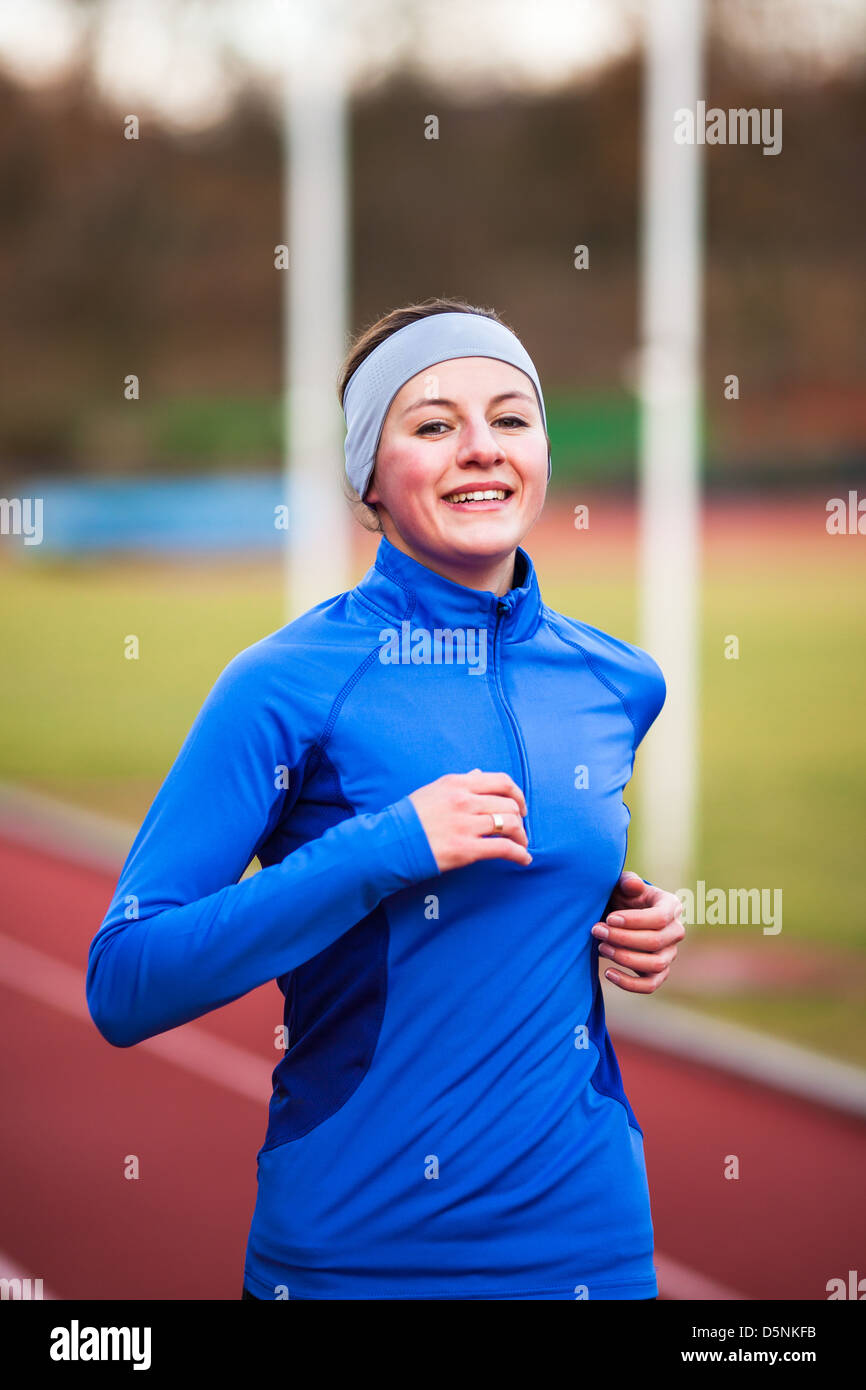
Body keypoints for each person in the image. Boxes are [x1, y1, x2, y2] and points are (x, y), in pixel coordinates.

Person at [86, 296, 684, 1301]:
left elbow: (535, 903)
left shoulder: (617, 681)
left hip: (590, 1247)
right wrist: (378, 849)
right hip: (357, 1254)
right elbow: (124, 982)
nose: (480, 450)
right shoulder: (284, 684)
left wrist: (624, 915)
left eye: (510, 417)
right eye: (433, 424)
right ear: (369, 472)